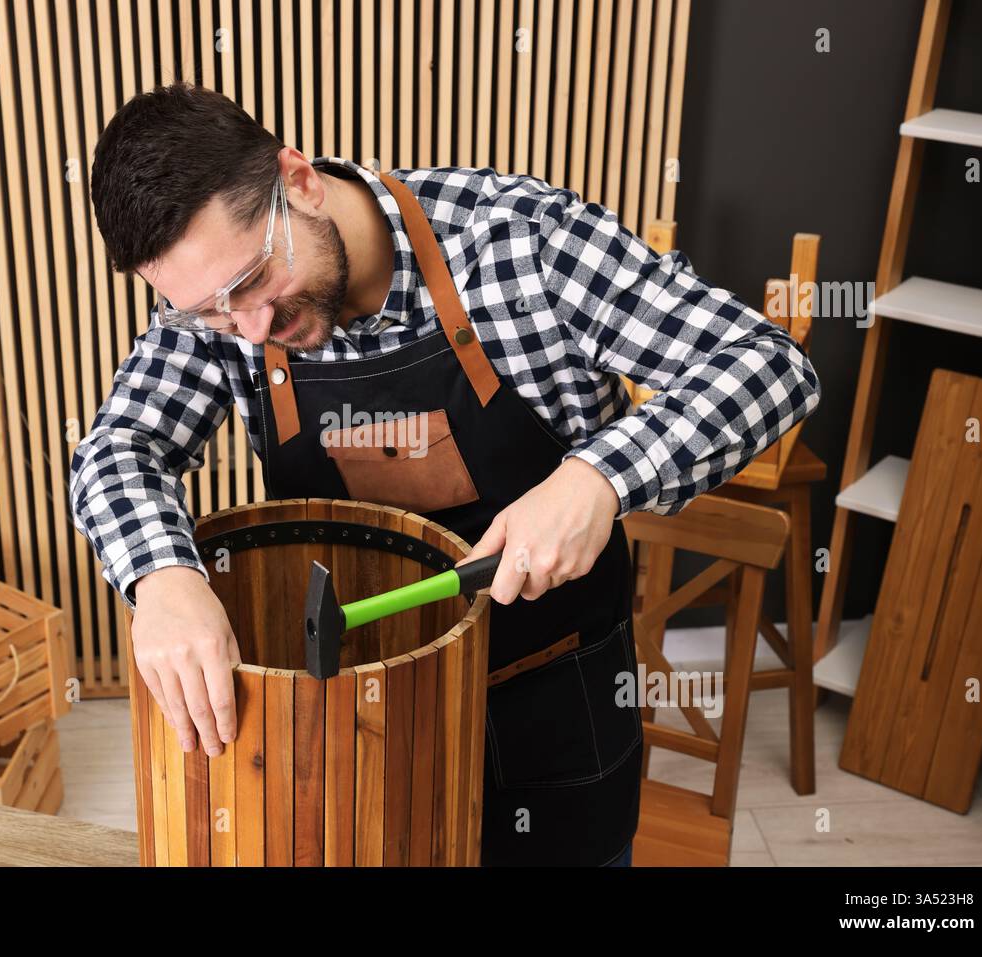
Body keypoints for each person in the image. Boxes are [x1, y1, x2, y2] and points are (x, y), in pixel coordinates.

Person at [70, 83, 821, 866]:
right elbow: (118, 449)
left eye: (255, 281)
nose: (251, 326)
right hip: (368, 740)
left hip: (553, 712)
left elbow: (770, 366)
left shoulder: (523, 243)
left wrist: (597, 478)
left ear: (298, 180)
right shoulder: (218, 303)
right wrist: (161, 577)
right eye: (215, 312)